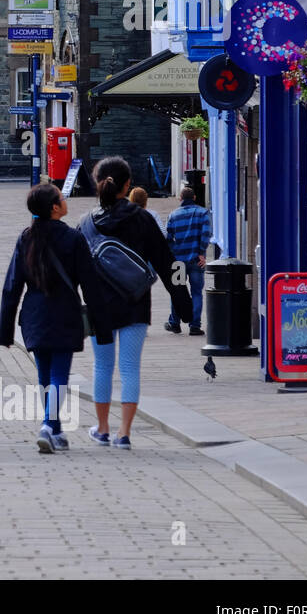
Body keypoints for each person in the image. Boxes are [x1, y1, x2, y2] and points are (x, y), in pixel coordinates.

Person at [80, 156, 192, 450]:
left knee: (102, 367)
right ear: (128, 185)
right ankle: (124, 433)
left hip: (99, 307)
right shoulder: (142, 218)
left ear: (97, 182)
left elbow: (75, 269)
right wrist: (184, 306)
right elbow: (168, 264)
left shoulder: (86, 223)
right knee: (130, 368)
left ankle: (102, 428)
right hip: (135, 302)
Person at [0, 184, 111, 453]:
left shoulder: (26, 237)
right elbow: (91, 286)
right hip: (64, 313)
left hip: (35, 314)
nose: (65, 200)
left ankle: (57, 432)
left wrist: (5, 330)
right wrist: (102, 327)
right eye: (61, 198)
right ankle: (48, 425)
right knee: (60, 375)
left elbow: (12, 285)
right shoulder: (73, 238)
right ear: (53, 208)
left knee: (44, 376)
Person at [165, 185, 213, 337]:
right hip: (196, 260)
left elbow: (167, 238)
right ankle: (194, 326)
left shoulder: (173, 215)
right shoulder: (203, 212)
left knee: (177, 291)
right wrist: (201, 252)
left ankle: (175, 323)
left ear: (180, 199)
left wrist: (174, 252)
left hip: (178, 261)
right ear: (194, 198)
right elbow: (206, 233)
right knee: (197, 292)